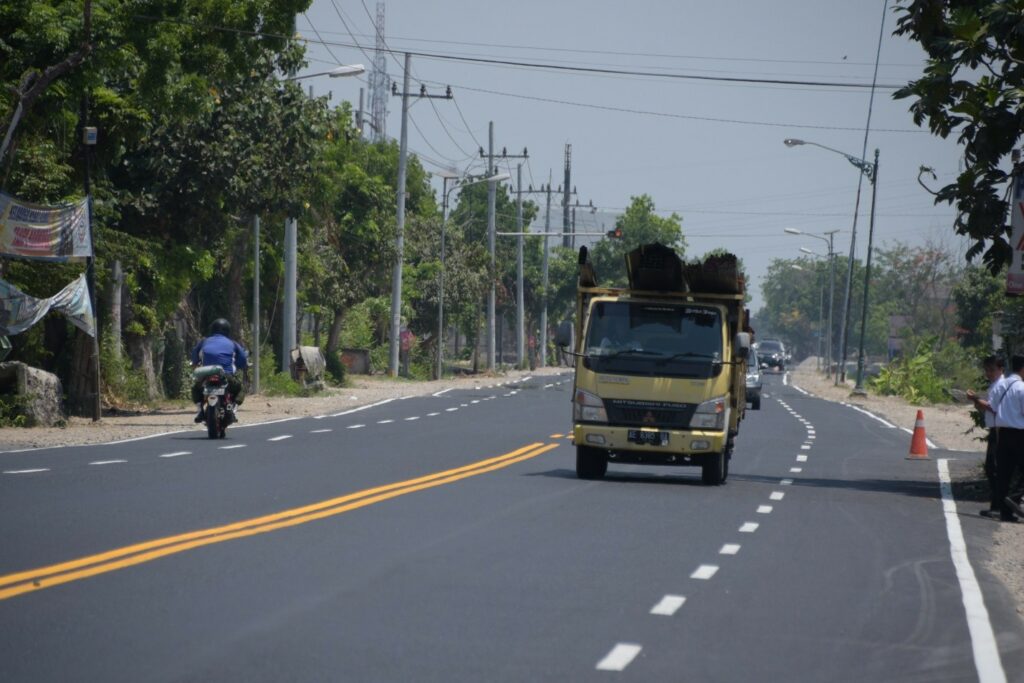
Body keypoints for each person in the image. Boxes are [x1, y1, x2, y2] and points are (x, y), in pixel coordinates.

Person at [190, 318, 248, 423]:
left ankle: (199, 411)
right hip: (226, 375)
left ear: (212, 329)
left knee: (195, 389)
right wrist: (238, 366)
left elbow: (194, 356)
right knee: (240, 389)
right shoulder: (233, 343)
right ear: (227, 330)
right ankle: (233, 410)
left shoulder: (204, 342)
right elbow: (243, 359)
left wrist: (195, 363)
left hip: (206, 376)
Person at [968, 355, 1005, 517]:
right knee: (992, 468)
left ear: (1001, 369)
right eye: (987, 370)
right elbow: (986, 408)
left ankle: (999, 506)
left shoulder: (1001, 386)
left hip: (1000, 430)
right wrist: (977, 401)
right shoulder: (994, 386)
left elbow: (994, 408)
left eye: (992, 370)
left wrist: (976, 398)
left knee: (994, 468)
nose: (989, 373)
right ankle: (996, 505)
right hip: (995, 429)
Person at [989, 355, 1024, 522]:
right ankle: (1015, 496)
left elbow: (992, 408)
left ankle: (1005, 512)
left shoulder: (1001, 385)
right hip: (1019, 434)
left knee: (1004, 473)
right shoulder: (1022, 388)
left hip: (1002, 433)